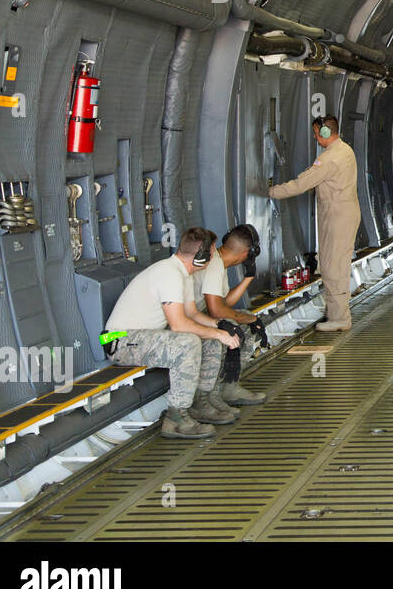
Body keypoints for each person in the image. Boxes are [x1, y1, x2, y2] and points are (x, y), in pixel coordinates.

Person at [102, 227, 242, 439]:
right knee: (188, 343)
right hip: (119, 340)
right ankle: (176, 417)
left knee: (210, 339)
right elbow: (178, 325)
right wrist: (216, 333)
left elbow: (192, 314)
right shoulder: (168, 273)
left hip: (144, 337)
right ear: (200, 257)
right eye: (212, 254)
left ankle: (199, 401)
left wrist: (219, 326)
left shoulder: (182, 274)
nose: (213, 258)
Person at [268, 115, 361, 332]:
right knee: (335, 263)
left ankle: (340, 318)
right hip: (343, 213)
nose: (315, 137)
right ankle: (336, 312)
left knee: (333, 266)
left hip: (337, 216)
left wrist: (270, 192)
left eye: (317, 133)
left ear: (326, 133)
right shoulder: (345, 150)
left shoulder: (329, 158)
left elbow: (302, 184)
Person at [194, 224, 267, 407]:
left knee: (243, 320)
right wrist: (248, 319)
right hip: (191, 319)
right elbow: (217, 312)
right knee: (233, 325)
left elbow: (224, 304)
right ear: (248, 253)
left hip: (199, 315)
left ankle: (230, 387)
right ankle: (211, 394)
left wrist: (248, 278)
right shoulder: (215, 265)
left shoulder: (220, 262)